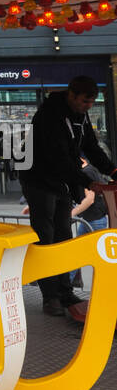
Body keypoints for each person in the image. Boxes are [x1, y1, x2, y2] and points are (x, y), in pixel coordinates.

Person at [24, 75, 117, 318]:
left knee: (64, 236)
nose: (88, 106)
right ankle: (50, 297)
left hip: (62, 183)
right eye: (85, 101)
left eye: (91, 102)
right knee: (46, 239)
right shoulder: (50, 115)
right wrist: (87, 182)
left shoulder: (80, 116)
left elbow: (91, 147)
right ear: (71, 95)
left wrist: (112, 171)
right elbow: (58, 157)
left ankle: (65, 293)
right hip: (39, 181)